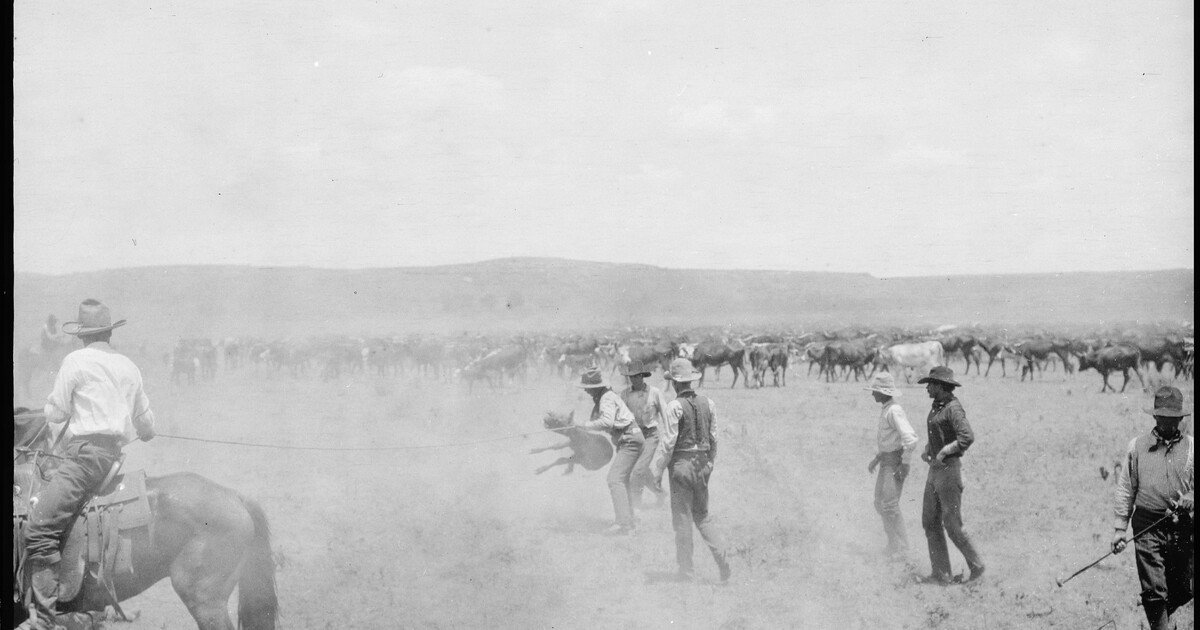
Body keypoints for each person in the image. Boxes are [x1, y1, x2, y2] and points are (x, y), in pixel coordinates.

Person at [21, 299, 156, 630]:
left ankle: (47, 620)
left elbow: (56, 413)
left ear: (81, 335)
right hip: (111, 456)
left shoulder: (75, 362)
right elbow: (147, 425)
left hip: (84, 459)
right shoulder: (129, 366)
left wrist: (52, 410)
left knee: (38, 528)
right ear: (109, 333)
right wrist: (143, 430)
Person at [1111, 386, 1194, 630]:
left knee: (1186, 587)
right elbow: (1126, 488)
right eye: (1163, 418)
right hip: (1147, 525)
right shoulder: (1137, 447)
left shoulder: (1192, 447)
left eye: (1173, 419)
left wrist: (1192, 497)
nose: (1168, 424)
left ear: (1180, 418)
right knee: (1155, 590)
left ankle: (1158, 617)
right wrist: (1119, 529)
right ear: (1155, 417)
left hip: (1183, 527)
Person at [650, 358, 732, 582]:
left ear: (675, 384)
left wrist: (656, 473)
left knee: (683, 520)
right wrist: (710, 462)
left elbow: (667, 444)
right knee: (703, 517)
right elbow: (714, 438)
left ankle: (686, 572)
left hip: (681, 466)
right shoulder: (709, 403)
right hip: (703, 464)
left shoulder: (674, 407)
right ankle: (722, 556)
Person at [917, 366, 985, 584]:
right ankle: (942, 573)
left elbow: (967, 437)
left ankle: (977, 567)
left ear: (940, 386)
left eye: (930, 384)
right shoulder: (938, 407)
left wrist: (946, 450)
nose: (927, 387)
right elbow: (941, 432)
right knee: (930, 521)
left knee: (952, 524)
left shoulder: (953, 408)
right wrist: (930, 447)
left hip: (949, 471)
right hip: (935, 471)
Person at [576, 367, 645, 535]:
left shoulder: (606, 398)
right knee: (622, 480)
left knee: (614, 479)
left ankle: (623, 524)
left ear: (596, 387)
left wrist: (584, 424)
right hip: (631, 439)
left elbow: (606, 422)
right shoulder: (606, 396)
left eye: (587, 387)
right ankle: (630, 520)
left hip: (630, 440)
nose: (585, 390)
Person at [865, 372, 919, 560]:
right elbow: (890, 440)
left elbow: (910, 439)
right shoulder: (887, 409)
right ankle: (893, 542)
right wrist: (878, 458)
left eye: (875, 391)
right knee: (879, 503)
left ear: (883, 392)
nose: (873, 395)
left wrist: (905, 464)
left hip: (894, 463)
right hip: (887, 461)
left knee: (888, 504)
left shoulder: (894, 410)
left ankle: (903, 547)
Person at [619, 361, 669, 509]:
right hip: (633, 437)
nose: (634, 379)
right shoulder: (625, 394)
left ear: (642, 376)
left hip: (650, 436)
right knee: (640, 469)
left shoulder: (655, 392)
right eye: (631, 377)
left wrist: (668, 436)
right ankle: (660, 493)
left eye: (637, 376)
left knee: (638, 470)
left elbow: (665, 415)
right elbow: (621, 416)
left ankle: (635, 505)